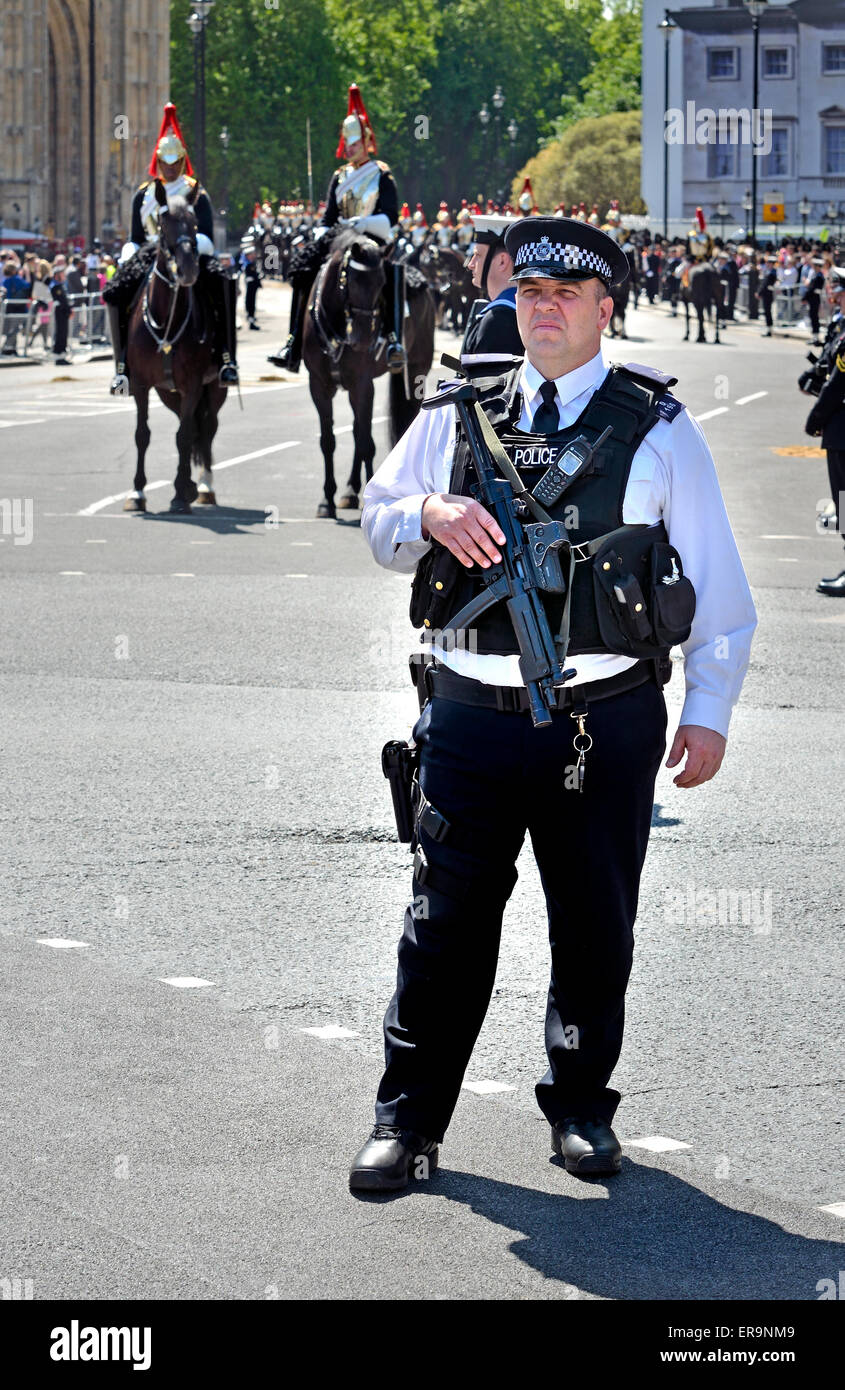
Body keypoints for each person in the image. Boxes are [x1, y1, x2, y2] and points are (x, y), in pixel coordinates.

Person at [354, 216, 758, 1192]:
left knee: (591, 924)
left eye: (566, 295)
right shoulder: (457, 410)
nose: (544, 309)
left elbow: (717, 589)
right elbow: (377, 518)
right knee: (440, 925)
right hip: (465, 715)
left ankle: (579, 1107)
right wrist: (427, 514)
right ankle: (405, 1121)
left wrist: (706, 711)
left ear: (603, 309)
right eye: (529, 292)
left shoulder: (657, 430)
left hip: (601, 721)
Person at [102, 102, 238, 395]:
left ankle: (227, 358)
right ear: (158, 162)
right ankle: (122, 368)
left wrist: (189, 246)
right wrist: (130, 251)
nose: (170, 168)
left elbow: (207, 234)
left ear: (182, 161)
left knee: (224, 284)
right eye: (165, 163)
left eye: (175, 163)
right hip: (150, 253)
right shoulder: (143, 195)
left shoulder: (195, 192)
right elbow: (137, 235)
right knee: (115, 293)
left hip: (189, 251)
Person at [268, 83, 405, 374]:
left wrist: (363, 223)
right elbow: (329, 215)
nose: (350, 148)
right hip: (339, 237)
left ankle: (393, 338)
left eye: (355, 143)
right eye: (348, 143)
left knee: (391, 271)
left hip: (370, 238)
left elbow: (391, 217)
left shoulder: (381, 174)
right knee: (305, 270)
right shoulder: (338, 176)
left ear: (367, 140)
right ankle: (293, 340)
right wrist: (321, 234)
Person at [805, 267, 845, 596]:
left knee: (844, 500)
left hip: (842, 428)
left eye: (836, 286)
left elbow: (838, 385)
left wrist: (815, 417)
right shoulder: (840, 325)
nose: (830, 290)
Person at [460, 213, 523, 370]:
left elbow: (484, 390)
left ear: (502, 261)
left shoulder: (498, 320)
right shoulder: (511, 311)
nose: (471, 264)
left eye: (478, 255)